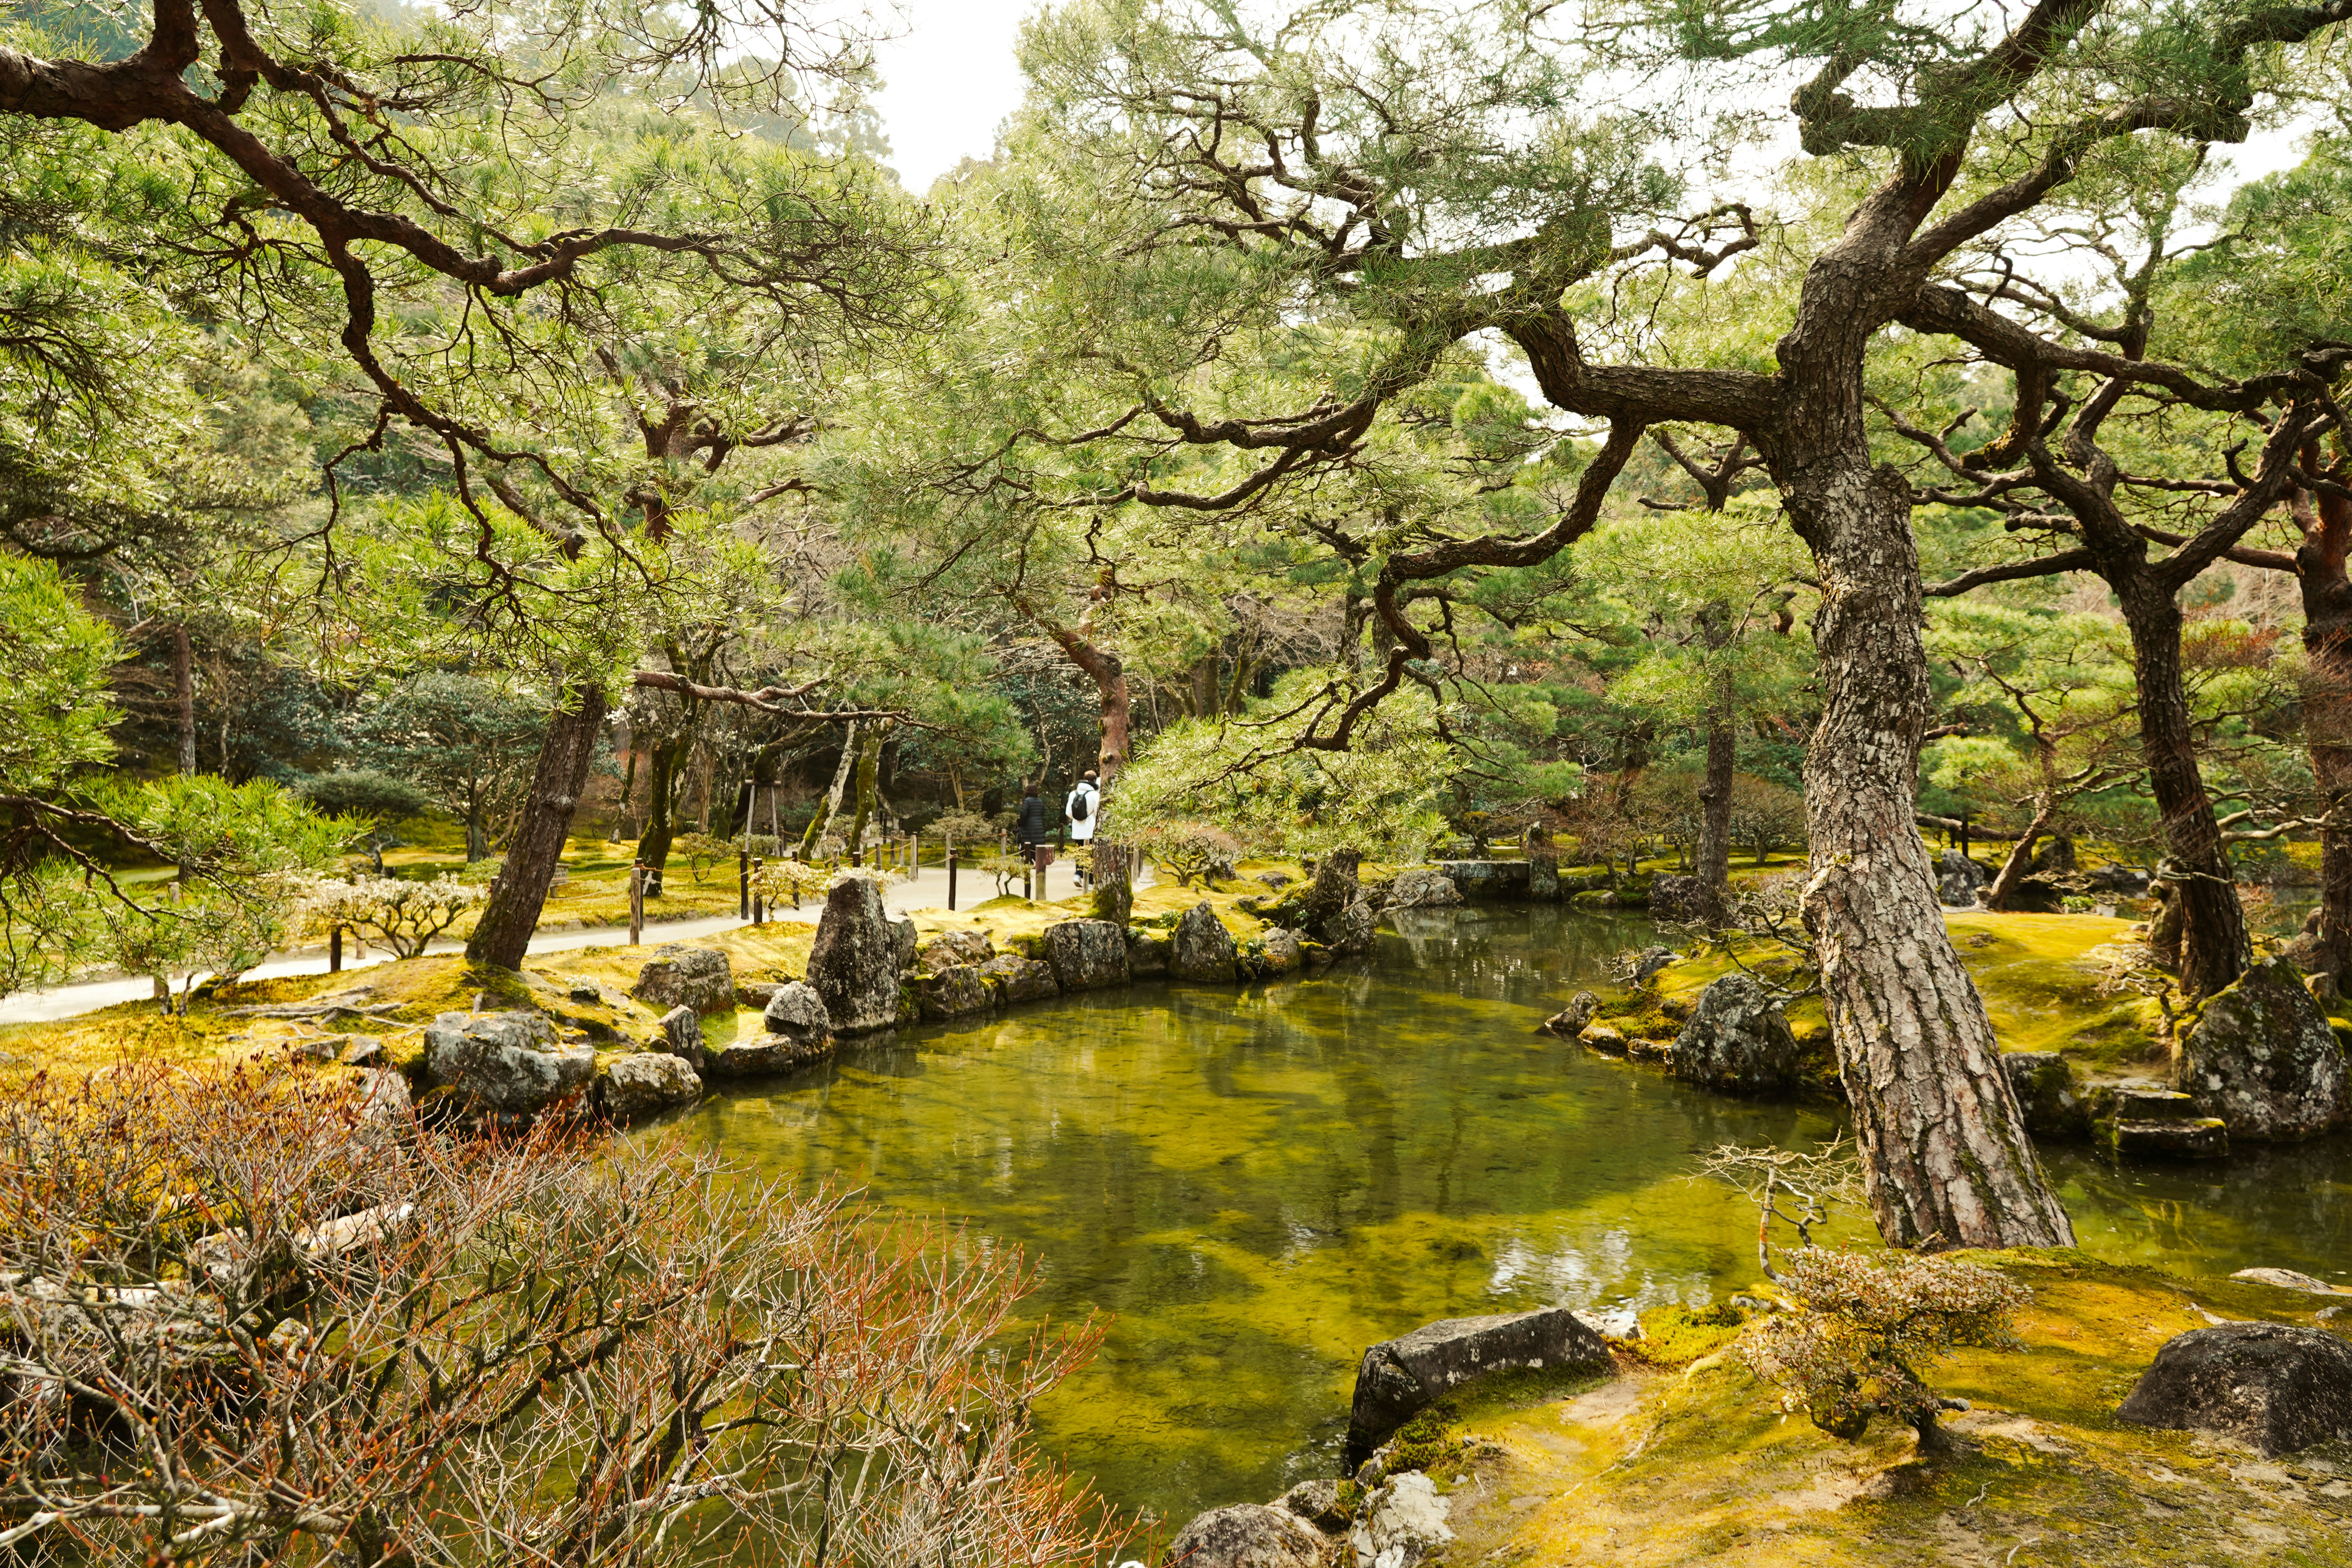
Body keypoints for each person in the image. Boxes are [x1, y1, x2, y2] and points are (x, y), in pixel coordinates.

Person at [1064, 769, 1101, 887]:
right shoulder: (1095, 795)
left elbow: (1069, 813)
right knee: (1091, 855)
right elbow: (1097, 813)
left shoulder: (1074, 794)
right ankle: (1090, 882)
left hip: (1077, 830)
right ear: (1094, 781)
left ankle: (1078, 875)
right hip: (1090, 830)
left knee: (1079, 852)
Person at [1014, 784, 1053, 893]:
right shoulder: (1040, 801)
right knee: (1038, 847)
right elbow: (1043, 813)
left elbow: (1023, 814)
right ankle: (1038, 864)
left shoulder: (1027, 801)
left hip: (1029, 829)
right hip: (1039, 828)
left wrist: (1021, 823)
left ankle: (1028, 861)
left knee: (1028, 846)